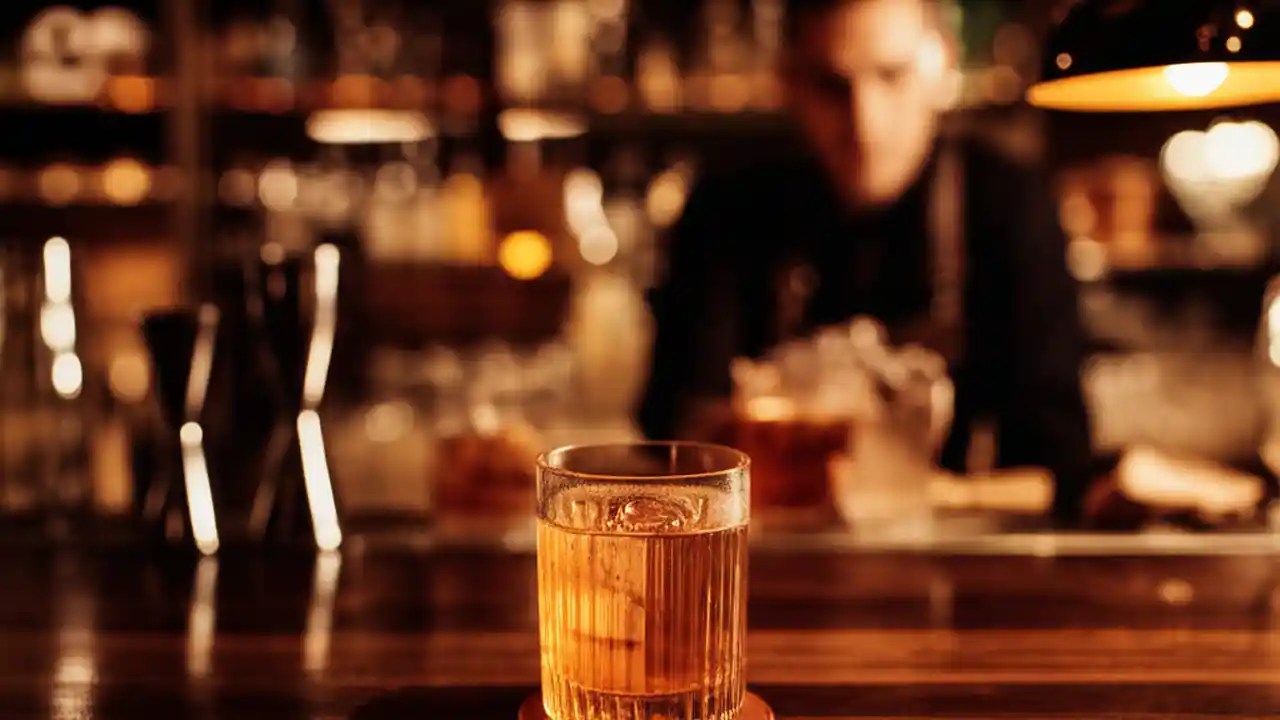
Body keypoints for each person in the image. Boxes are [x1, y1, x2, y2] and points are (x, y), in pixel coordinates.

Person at [638, 0, 1094, 520]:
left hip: (956, 549)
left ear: (942, 66)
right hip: (767, 548)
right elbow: (671, 438)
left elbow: (1058, 468)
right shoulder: (725, 207)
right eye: (833, 87)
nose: (864, 122)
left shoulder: (1008, 202)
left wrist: (915, 493)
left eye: (891, 76)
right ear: (789, 82)